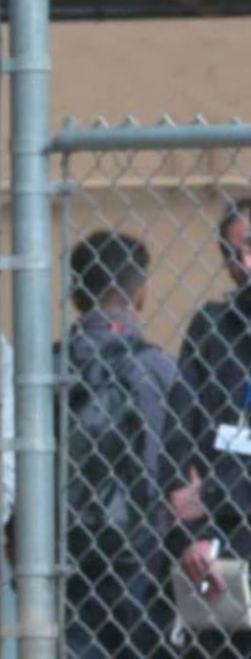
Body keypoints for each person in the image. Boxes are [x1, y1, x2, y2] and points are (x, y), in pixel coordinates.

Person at [57, 231, 178, 657]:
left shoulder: (50, 367)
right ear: (140, 294)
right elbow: (171, 461)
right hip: (139, 554)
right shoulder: (157, 368)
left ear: (74, 294)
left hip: (62, 551)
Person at [162, 198, 251, 657]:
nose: (246, 262)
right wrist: (191, 533)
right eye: (235, 252)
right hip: (226, 535)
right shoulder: (215, 328)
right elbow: (180, 429)